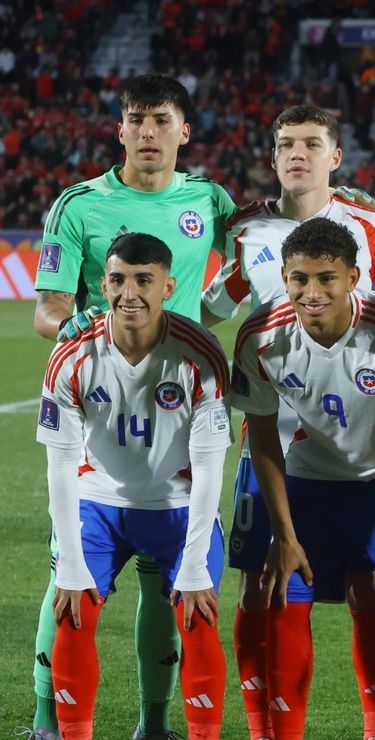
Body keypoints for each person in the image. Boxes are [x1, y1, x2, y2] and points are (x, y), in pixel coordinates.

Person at [202, 104, 375, 740]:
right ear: (271, 157)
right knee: (260, 588)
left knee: (370, 587)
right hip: (282, 439)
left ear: (335, 156)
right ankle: (267, 727)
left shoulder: (369, 226)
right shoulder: (247, 231)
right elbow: (210, 304)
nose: (298, 154)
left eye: (312, 143)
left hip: (373, 438)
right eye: (286, 143)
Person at [29, 73, 236, 740]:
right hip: (101, 400)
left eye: (161, 120)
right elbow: (48, 307)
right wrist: (76, 329)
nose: (149, 132)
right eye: (137, 120)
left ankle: (153, 722)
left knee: (163, 584)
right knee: (72, 574)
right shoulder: (77, 205)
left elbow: (260, 245)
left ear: (184, 131)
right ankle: (45, 720)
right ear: (120, 129)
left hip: (182, 405)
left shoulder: (209, 199)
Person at [229, 217, 375, 740]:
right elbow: (262, 437)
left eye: (327, 278)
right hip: (310, 478)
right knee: (282, 594)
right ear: (283, 277)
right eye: (299, 278)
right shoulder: (261, 337)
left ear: (353, 277)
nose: (312, 292)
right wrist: (284, 536)